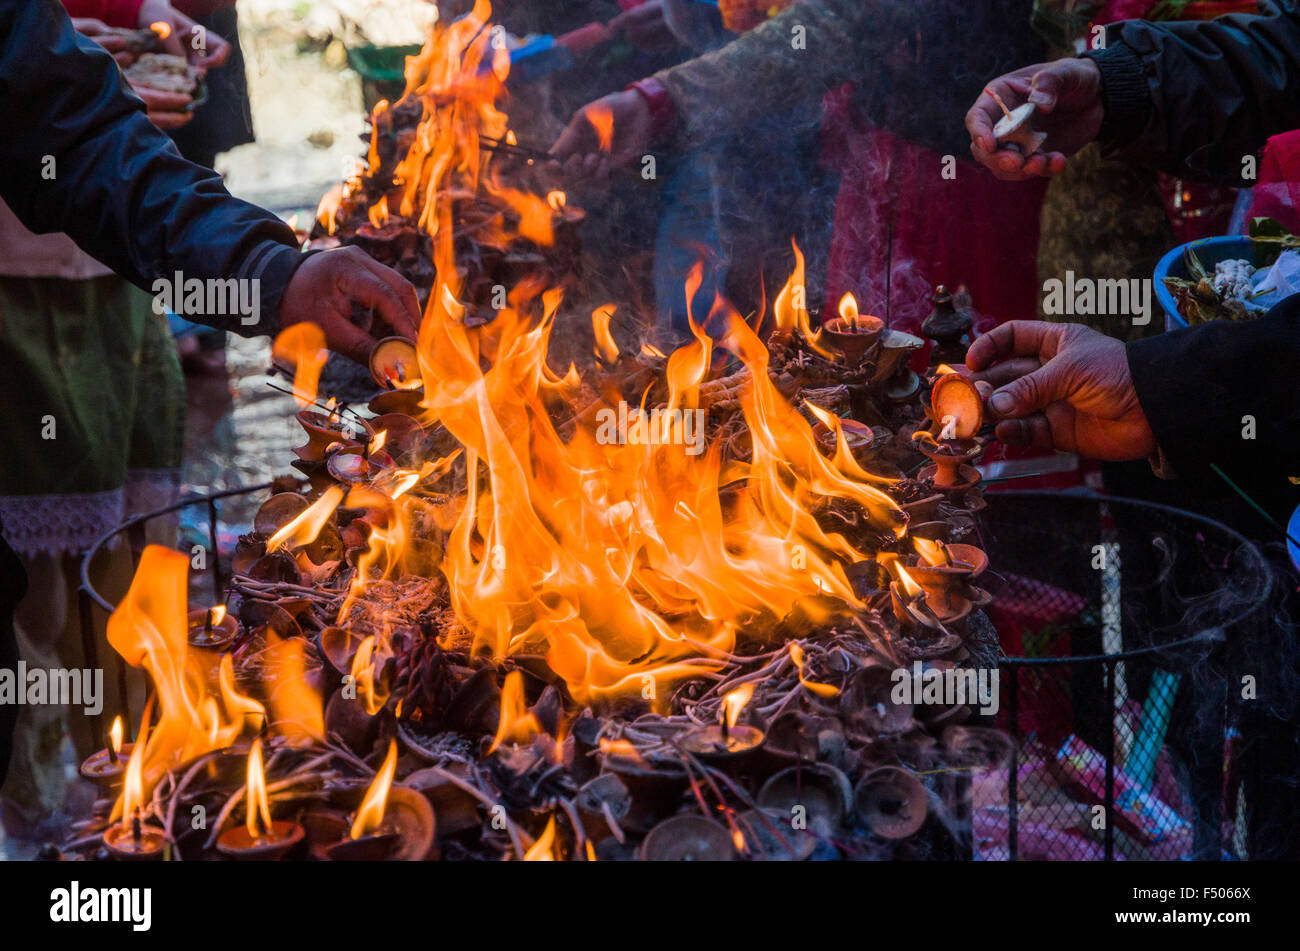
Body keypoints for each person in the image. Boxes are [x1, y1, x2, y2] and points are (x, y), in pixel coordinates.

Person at [0, 0, 420, 801]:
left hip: (103, 274)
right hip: (14, 294)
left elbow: (77, 131)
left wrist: (275, 274)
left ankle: (119, 785)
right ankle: (34, 801)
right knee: (39, 592)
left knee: (125, 554)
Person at [550, 0, 1051, 337]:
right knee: (870, 385)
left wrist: (664, 99)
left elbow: (842, 22)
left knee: (982, 394)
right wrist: (658, 100)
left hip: (987, 179)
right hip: (888, 160)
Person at [961, 3, 1300, 487]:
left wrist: (1167, 384)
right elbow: (1284, 57)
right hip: (1166, 347)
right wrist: (1117, 89)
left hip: (1197, 320)